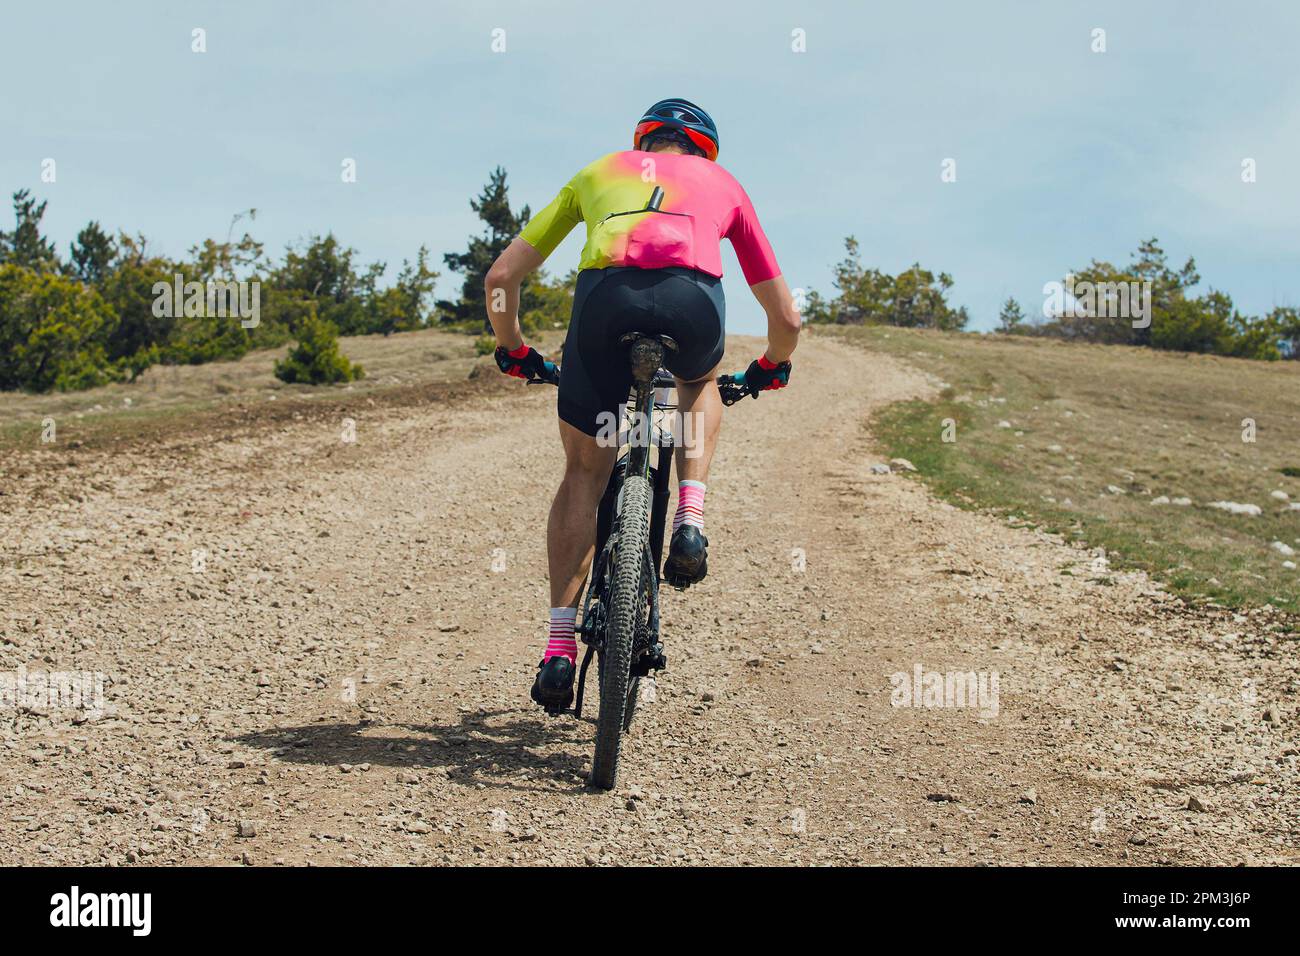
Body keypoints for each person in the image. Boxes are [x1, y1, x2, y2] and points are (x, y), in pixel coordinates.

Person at [484, 98, 800, 712]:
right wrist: (770, 366)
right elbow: (786, 317)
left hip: (604, 306)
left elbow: (501, 280)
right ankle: (690, 518)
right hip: (693, 304)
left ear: (643, 143)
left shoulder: (598, 172)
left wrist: (515, 350)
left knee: (583, 473)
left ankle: (557, 649)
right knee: (698, 384)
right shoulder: (724, 184)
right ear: (704, 150)